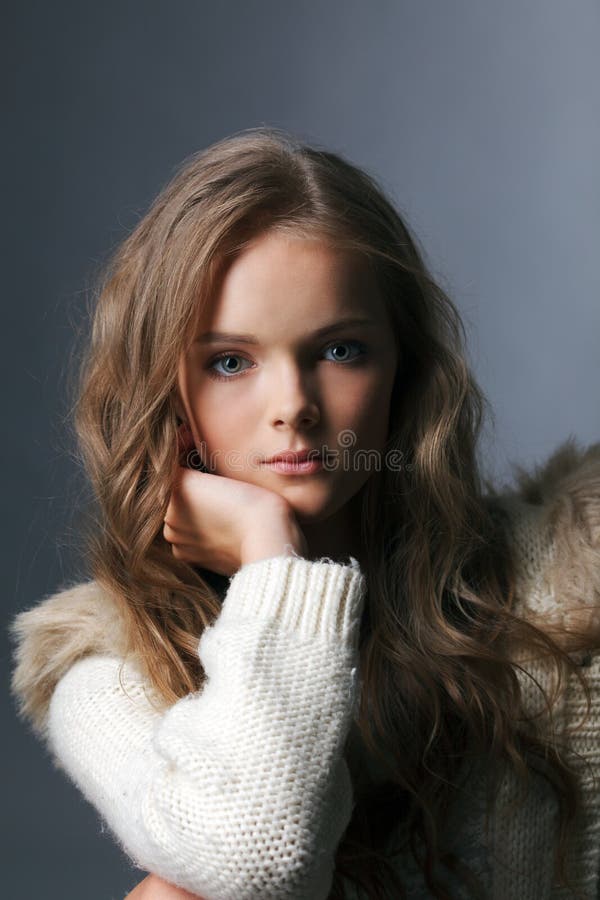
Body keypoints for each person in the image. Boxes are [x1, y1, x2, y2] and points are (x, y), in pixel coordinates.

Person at [9, 127, 600, 900]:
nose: (292, 407)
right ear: (167, 393)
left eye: (341, 351)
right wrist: (271, 558)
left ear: (405, 370)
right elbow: (256, 859)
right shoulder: (112, 666)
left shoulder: (569, 570)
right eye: (230, 362)